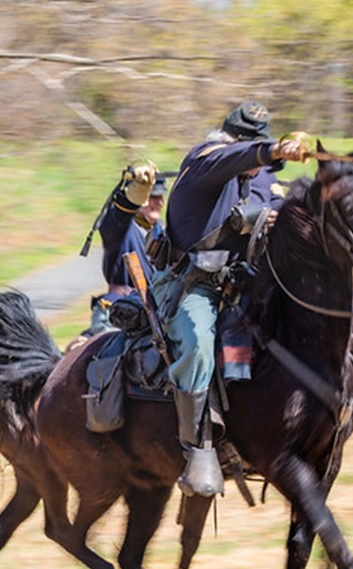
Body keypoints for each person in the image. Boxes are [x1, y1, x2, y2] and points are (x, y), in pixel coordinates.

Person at [151, 101, 312, 497]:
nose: (262, 171)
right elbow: (235, 158)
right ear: (239, 142)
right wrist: (274, 149)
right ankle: (199, 448)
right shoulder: (207, 159)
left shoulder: (245, 176)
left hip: (238, 283)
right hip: (191, 285)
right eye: (258, 155)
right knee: (198, 346)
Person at [84, 162, 167, 338]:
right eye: (152, 196)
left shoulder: (160, 231)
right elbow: (118, 217)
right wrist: (133, 195)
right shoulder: (121, 227)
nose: (160, 202)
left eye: (161, 197)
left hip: (154, 312)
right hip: (118, 315)